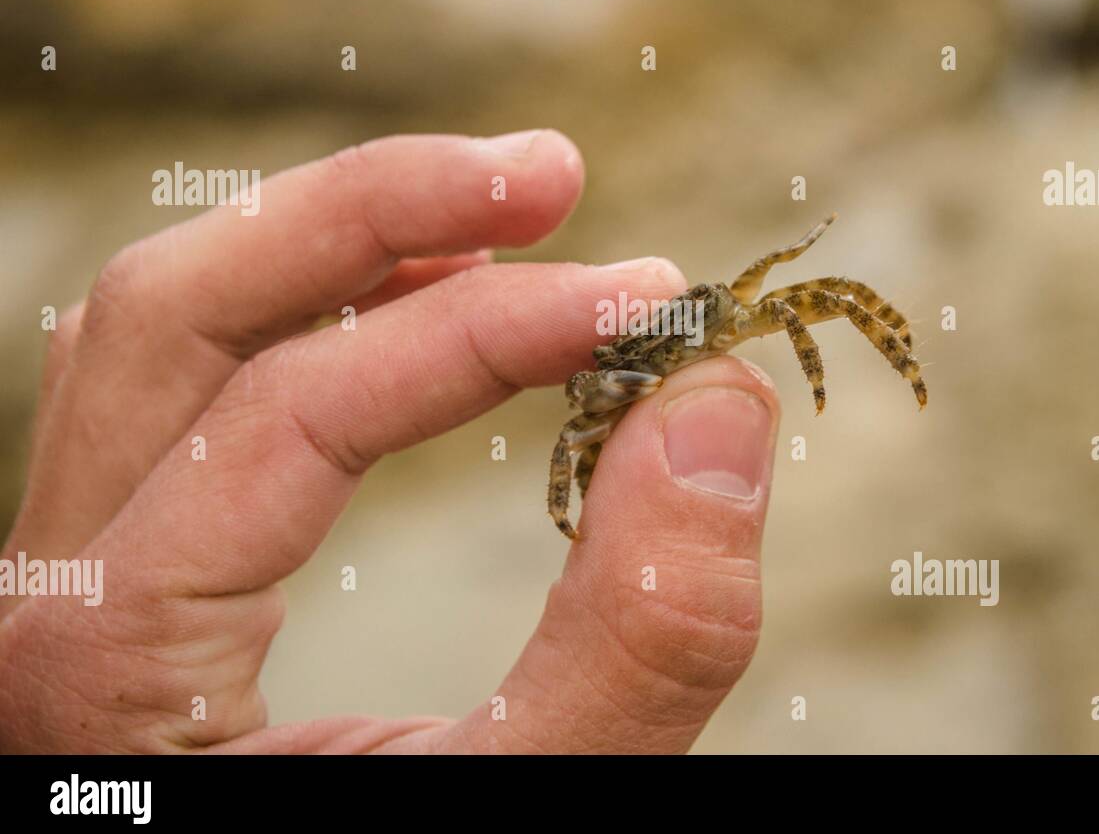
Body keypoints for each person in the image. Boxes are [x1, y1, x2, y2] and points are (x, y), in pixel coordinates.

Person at [0, 130, 779, 753]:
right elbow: (579, 427)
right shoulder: (620, 370)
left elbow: (812, 284)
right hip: (638, 375)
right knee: (584, 428)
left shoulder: (726, 308)